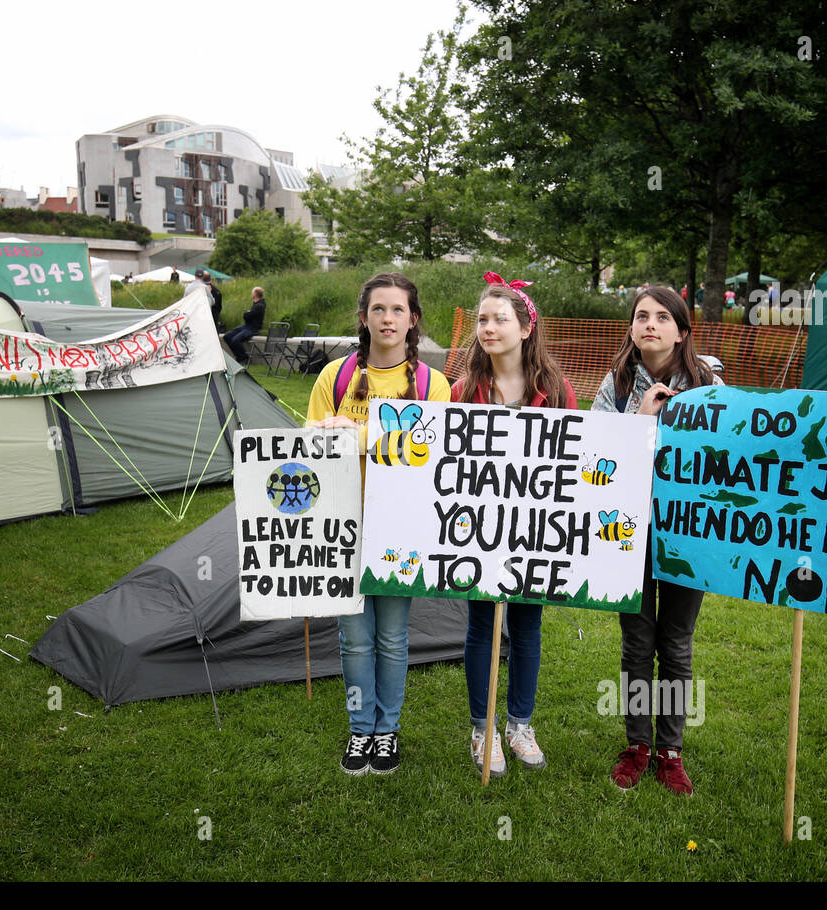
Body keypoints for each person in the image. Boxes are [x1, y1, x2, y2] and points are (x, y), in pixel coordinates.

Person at [307, 271, 450, 775]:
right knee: (353, 638)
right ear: (363, 317)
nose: (387, 319)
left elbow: (430, 452)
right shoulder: (335, 377)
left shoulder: (436, 385)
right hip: (344, 524)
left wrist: (359, 432)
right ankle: (359, 730)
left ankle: (387, 731)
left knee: (391, 636)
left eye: (398, 310)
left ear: (413, 320)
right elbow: (312, 449)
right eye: (377, 309)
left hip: (401, 527)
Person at [591, 286, 722, 796]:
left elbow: (723, 452)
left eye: (662, 317)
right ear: (630, 328)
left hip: (690, 531)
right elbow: (596, 457)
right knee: (637, 642)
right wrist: (641, 418)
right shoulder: (617, 384)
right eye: (641, 316)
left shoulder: (710, 382)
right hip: (627, 529)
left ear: (682, 330)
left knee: (677, 643)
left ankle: (671, 750)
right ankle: (637, 744)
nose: (650, 324)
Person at [451, 273, 578, 777]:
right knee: (483, 624)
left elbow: (577, 459)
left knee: (527, 625)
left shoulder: (556, 389)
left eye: (500, 319)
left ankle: (519, 723)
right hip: (479, 528)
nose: (488, 327)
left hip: (536, 532)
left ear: (526, 328)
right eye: (482, 319)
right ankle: (482, 729)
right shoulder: (463, 390)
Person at [224, 287, 265, 365]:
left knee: (235, 340)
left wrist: (247, 313)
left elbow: (247, 316)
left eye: (252, 292)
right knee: (227, 336)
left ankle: (244, 357)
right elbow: (248, 316)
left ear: (255, 294)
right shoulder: (256, 304)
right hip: (246, 326)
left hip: (252, 328)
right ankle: (238, 356)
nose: (251, 294)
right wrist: (248, 313)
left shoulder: (260, 305)